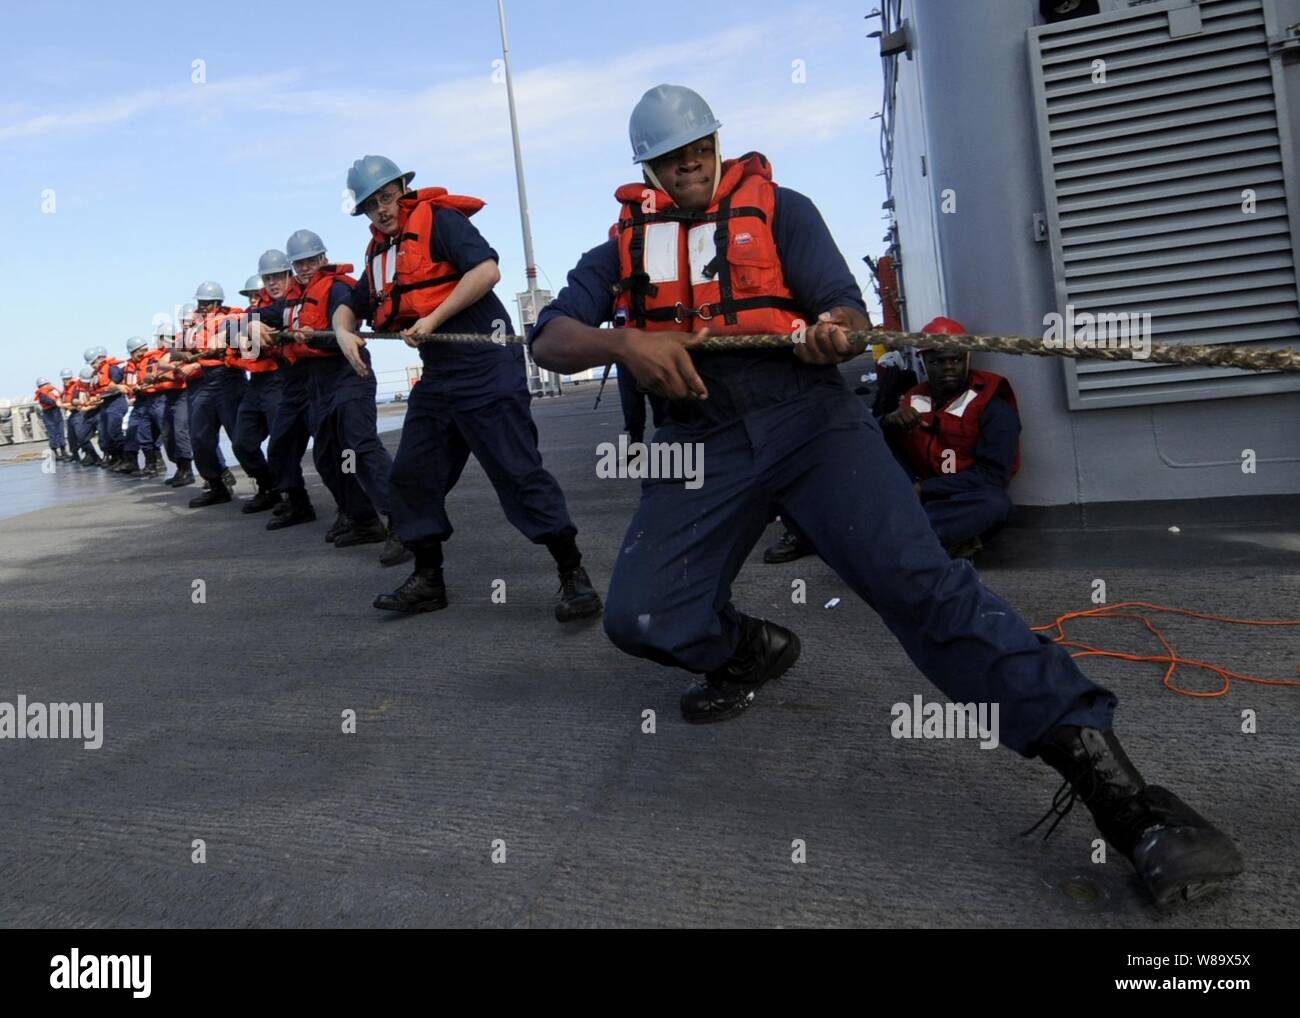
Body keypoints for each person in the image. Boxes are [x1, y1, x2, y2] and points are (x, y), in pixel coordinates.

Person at [528, 83, 1243, 907]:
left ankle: (1128, 806)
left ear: (717, 146)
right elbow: (548, 338)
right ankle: (749, 650)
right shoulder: (621, 246)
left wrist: (836, 332)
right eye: (671, 160)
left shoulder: (784, 211)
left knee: (923, 589)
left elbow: (846, 309)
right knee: (641, 617)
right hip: (700, 439)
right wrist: (625, 342)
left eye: (700, 152)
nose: (690, 169)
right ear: (647, 169)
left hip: (810, 422)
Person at [332, 154, 600, 619]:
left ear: (403, 190)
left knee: (518, 473)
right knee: (411, 475)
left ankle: (573, 574)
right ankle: (428, 580)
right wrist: (342, 330)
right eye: (372, 205)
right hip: (439, 375)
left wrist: (433, 318)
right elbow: (349, 305)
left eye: (387, 197)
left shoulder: (441, 222)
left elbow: (487, 271)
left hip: (486, 364)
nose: (382, 209)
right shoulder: (380, 255)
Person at [276, 229, 407, 565]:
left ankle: (404, 523)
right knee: (327, 456)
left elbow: (344, 326)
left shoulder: (337, 288)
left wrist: (314, 337)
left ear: (323, 258)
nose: (305, 267)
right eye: (299, 263)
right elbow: (263, 316)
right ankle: (363, 519)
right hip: (317, 382)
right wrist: (246, 326)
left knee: (360, 446)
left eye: (310, 260)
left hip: (349, 373)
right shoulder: (293, 298)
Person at [882, 316, 1019, 559]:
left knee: (995, 504)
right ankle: (926, 542)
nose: (948, 367)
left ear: (967, 358)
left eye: (955, 359)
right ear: (924, 363)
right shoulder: (912, 398)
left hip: (958, 497)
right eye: (937, 361)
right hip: (914, 492)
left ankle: (901, 543)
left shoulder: (993, 408)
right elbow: (878, 447)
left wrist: (924, 488)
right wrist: (888, 423)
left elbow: (993, 476)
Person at [178, 282, 245, 507]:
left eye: (207, 303)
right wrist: (184, 356)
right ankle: (217, 486)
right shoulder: (194, 325)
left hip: (228, 379)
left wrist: (197, 361)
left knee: (241, 438)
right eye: (201, 303)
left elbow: (236, 348)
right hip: (203, 384)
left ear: (218, 303)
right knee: (199, 437)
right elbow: (177, 349)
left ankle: (268, 485)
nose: (203, 307)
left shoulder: (232, 319)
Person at [229, 272, 284, 514]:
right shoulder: (247, 317)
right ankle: (267, 485)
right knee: (242, 442)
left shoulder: (281, 310)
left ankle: (290, 493)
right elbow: (230, 335)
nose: (252, 299)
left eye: (256, 295)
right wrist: (247, 328)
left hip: (279, 379)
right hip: (256, 383)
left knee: (280, 444)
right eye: (249, 296)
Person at [88, 344, 129, 469]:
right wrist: (96, 396)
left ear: (100, 358)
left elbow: (115, 386)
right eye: (91, 364)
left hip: (116, 403)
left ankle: (126, 458)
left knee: (114, 431)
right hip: (105, 404)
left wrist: (105, 391)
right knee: (106, 434)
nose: (92, 366)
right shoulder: (96, 374)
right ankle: (116, 458)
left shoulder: (112, 369)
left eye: (93, 362)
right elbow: (97, 389)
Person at [33, 376, 70, 462]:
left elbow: (60, 397)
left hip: (56, 412)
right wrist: (57, 401)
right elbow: (49, 401)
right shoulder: (42, 394)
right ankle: (55, 454)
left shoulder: (53, 391)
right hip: (49, 415)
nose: (47, 386)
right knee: (53, 434)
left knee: (60, 432)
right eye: (45, 385)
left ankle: (63, 452)